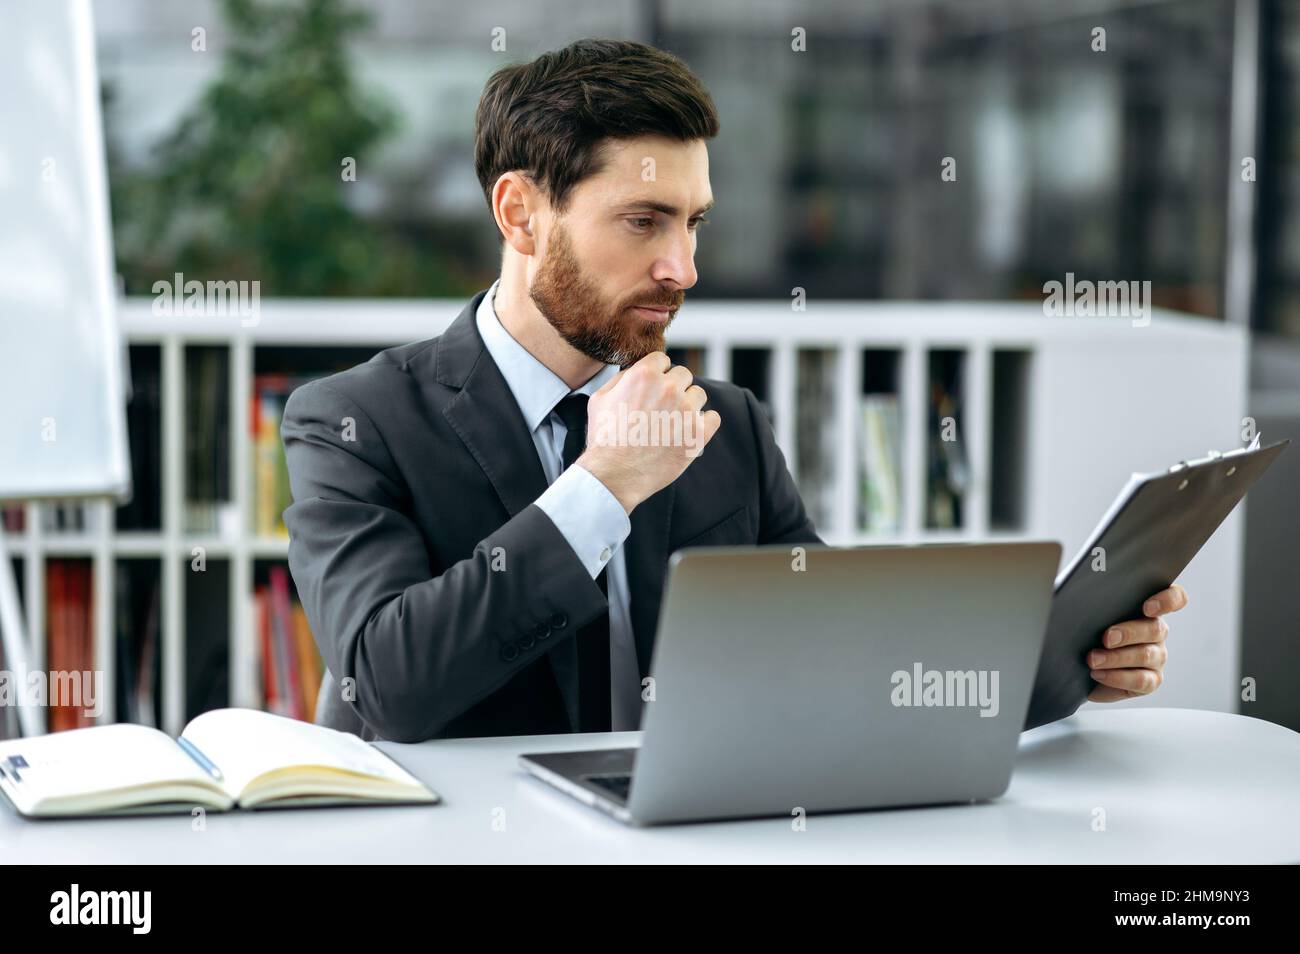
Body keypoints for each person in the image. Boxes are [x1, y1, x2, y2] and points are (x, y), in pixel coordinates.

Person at [282, 38, 1185, 744]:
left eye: (693, 223)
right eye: (643, 221)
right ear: (520, 213)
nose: (682, 267)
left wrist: (1058, 667)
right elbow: (386, 685)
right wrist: (601, 488)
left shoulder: (728, 427)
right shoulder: (357, 422)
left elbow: (849, 659)